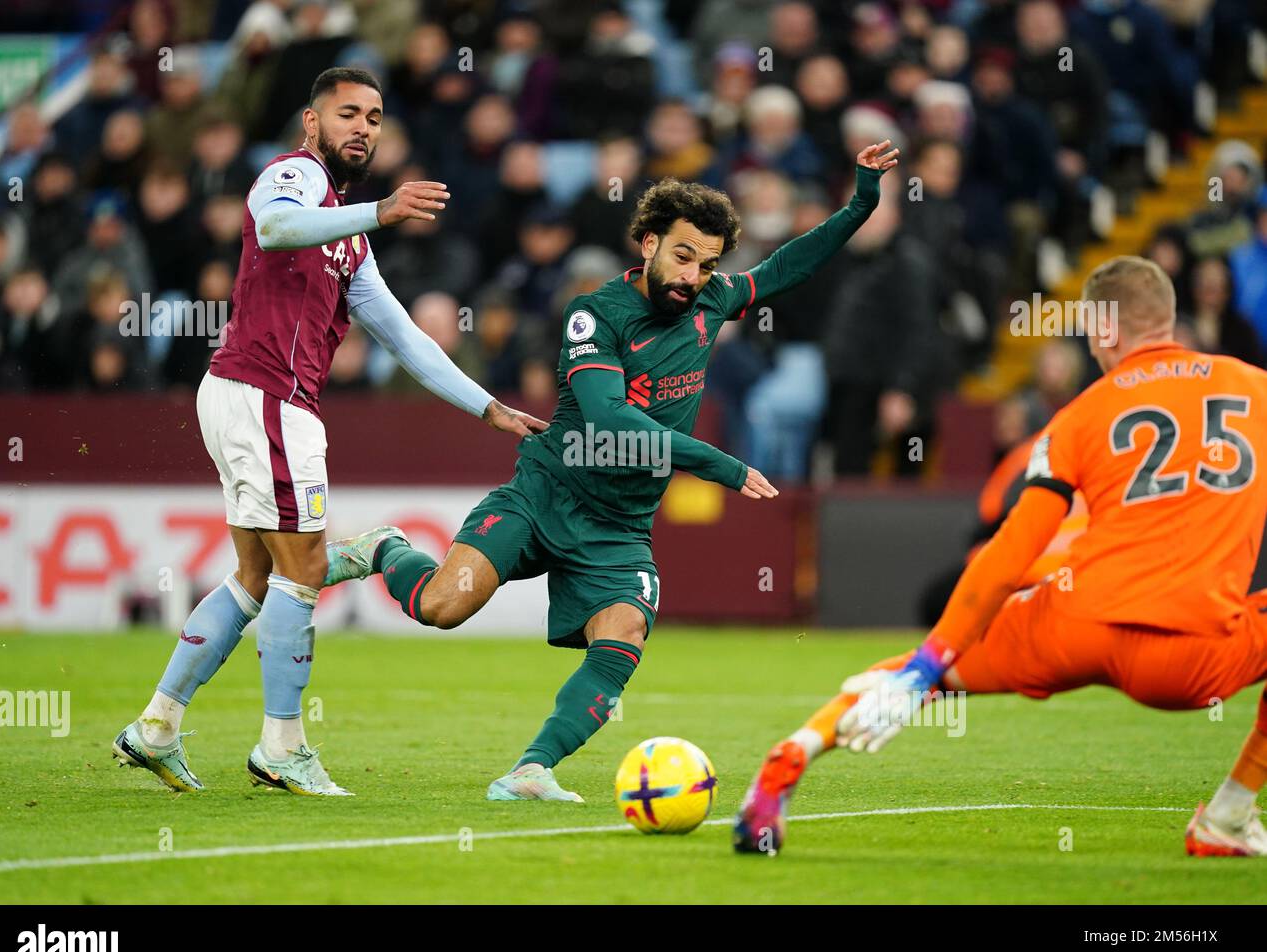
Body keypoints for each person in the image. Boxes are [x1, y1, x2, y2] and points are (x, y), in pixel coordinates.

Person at [338, 139, 900, 802]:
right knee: (443, 606)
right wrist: (718, 463)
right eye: (683, 256)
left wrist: (861, 198)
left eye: (707, 264)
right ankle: (387, 549)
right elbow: (609, 421)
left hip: (620, 524)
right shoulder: (594, 314)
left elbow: (790, 264)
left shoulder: (711, 300)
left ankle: (532, 769)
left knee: (625, 630)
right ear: (648, 242)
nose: (693, 277)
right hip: (546, 492)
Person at [735, 256, 1267, 857]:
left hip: (1079, 622)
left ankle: (788, 763)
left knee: (921, 674)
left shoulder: (1077, 416)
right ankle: (1227, 815)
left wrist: (930, 662)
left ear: (1107, 331)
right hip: (1199, 649)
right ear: (1169, 319)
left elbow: (1015, 547)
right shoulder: (1256, 388)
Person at [112, 67, 544, 798]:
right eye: (348, 113)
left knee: (257, 575)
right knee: (303, 569)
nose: (363, 128)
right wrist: (381, 211)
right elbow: (277, 227)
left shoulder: (345, 235)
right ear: (312, 123)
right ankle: (283, 746)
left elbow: (404, 337)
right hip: (266, 395)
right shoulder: (290, 176)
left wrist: (487, 407)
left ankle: (155, 728)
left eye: (374, 117)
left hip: (249, 397)